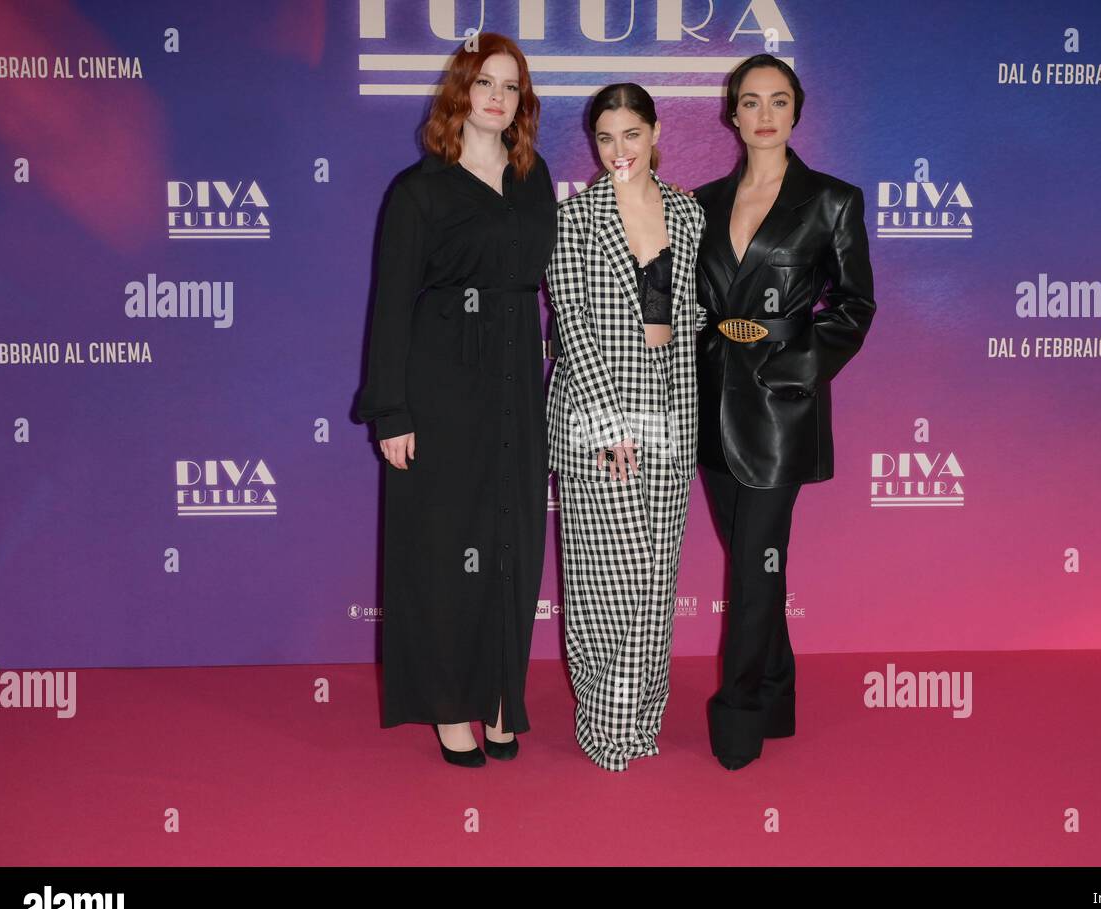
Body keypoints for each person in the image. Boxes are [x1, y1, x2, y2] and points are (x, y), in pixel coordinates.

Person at [355, 34, 556, 768]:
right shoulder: (420, 190)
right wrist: (391, 411)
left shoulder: (535, 179)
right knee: (444, 550)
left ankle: (502, 695)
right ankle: (448, 704)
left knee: (512, 545)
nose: (498, 97)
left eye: (511, 86)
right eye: (485, 83)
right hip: (441, 385)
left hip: (515, 387)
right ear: (460, 93)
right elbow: (390, 308)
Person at [692, 54, 877, 770]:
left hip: (777, 411)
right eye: (749, 101)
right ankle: (777, 692)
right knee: (755, 562)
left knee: (752, 569)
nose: (764, 115)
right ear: (731, 113)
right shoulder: (700, 203)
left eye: (777, 101)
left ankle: (738, 715)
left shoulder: (832, 201)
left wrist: (793, 361)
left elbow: (854, 306)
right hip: (709, 405)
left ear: (796, 111)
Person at [545, 83, 708, 771]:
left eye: (631, 135)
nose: (619, 151)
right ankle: (605, 726)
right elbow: (570, 325)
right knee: (604, 581)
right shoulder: (575, 219)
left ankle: (642, 720)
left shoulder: (687, 213)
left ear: (655, 132)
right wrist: (610, 424)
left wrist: (678, 327)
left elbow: (693, 311)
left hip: (670, 410)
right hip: (594, 414)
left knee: (654, 580)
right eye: (606, 138)